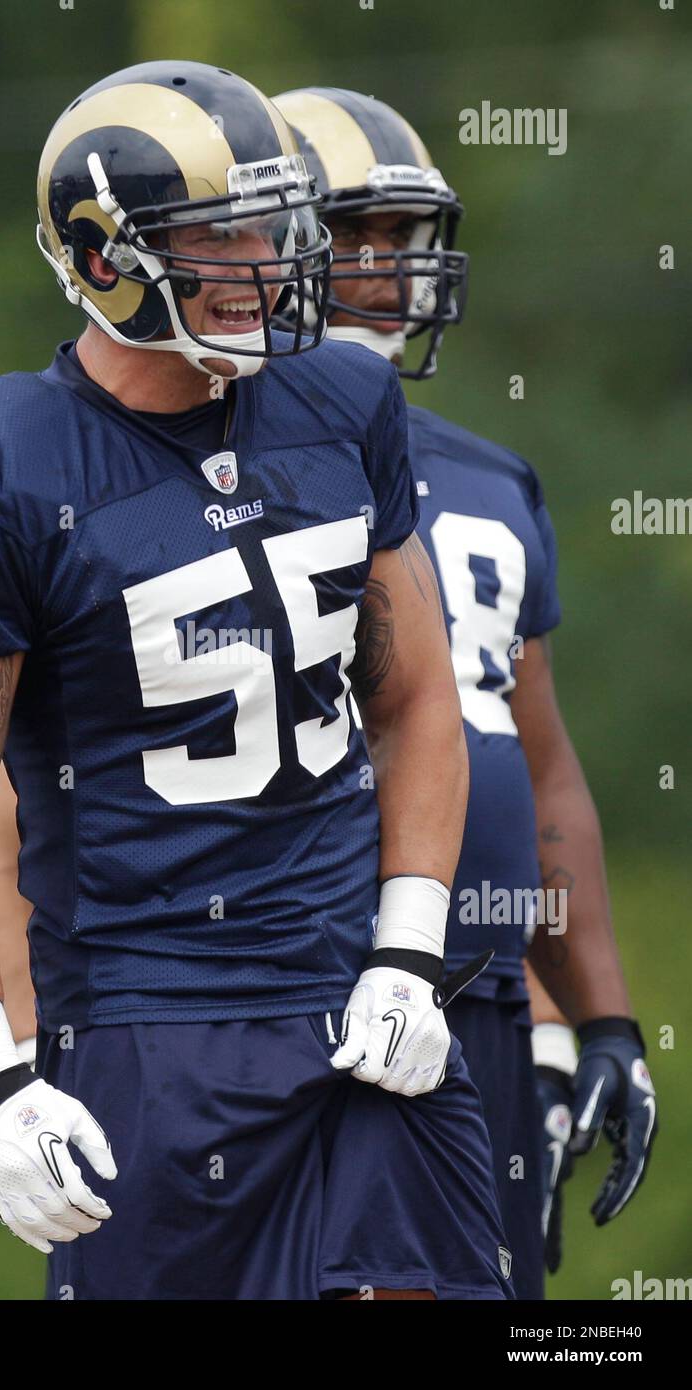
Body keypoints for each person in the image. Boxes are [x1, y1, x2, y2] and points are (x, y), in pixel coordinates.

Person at [0, 60, 511, 1301]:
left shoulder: (341, 399)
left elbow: (417, 697)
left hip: (356, 1002)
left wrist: (408, 949)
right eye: (227, 234)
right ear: (105, 258)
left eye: (280, 223)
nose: (274, 261)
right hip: (152, 1031)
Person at [270, 85, 658, 1298]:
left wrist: (592, 1018)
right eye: (352, 236)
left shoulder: (492, 480)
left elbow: (529, 764)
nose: (386, 270)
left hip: (472, 991)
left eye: (403, 237)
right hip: (274, 982)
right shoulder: (194, 471)